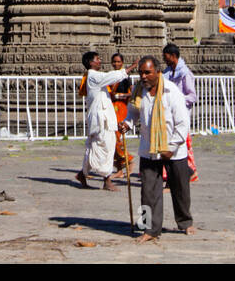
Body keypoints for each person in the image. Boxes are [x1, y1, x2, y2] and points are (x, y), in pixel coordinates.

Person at [124, 56, 195, 241]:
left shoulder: (172, 92)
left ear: (157, 72)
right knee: (147, 191)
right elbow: (133, 112)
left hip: (174, 149)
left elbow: (182, 123)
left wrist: (172, 147)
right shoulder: (139, 91)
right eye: (141, 73)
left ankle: (185, 222)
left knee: (180, 189)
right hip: (149, 148)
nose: (144, 76)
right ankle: (149, 229)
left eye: (147, 72)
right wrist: (127, 123)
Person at [76, 50, 133, 190]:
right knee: (105, 146)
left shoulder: (95, 76)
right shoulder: (93, 76)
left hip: (103, 117)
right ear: (91, 62)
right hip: (101, 119)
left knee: (95, 147)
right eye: (97, 59)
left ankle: (82, 174)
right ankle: (107, 180)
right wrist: (128, 69)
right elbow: (110, 77)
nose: (100, 60)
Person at [163, 43, 199, 183]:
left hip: (181, 115)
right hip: (168, 115)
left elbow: (192, 96)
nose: (165, 60)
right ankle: (184, 172)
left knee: (180, 145)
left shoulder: (185, 73)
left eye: (166, 57)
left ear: (173, 56)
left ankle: (187, 172)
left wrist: (177, 100)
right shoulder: (167, 72)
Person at [106, 53, 134, 180]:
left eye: (118, 62)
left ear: (122, 63)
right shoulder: (111, 76)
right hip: (112, 108)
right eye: (114, 62)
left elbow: (132, 94)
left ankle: (129, 160)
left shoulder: (125, 77)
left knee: (117, 136)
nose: (116, 64)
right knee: (112, 137)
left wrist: (119, 96)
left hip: (121, 108)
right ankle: (119, 169)